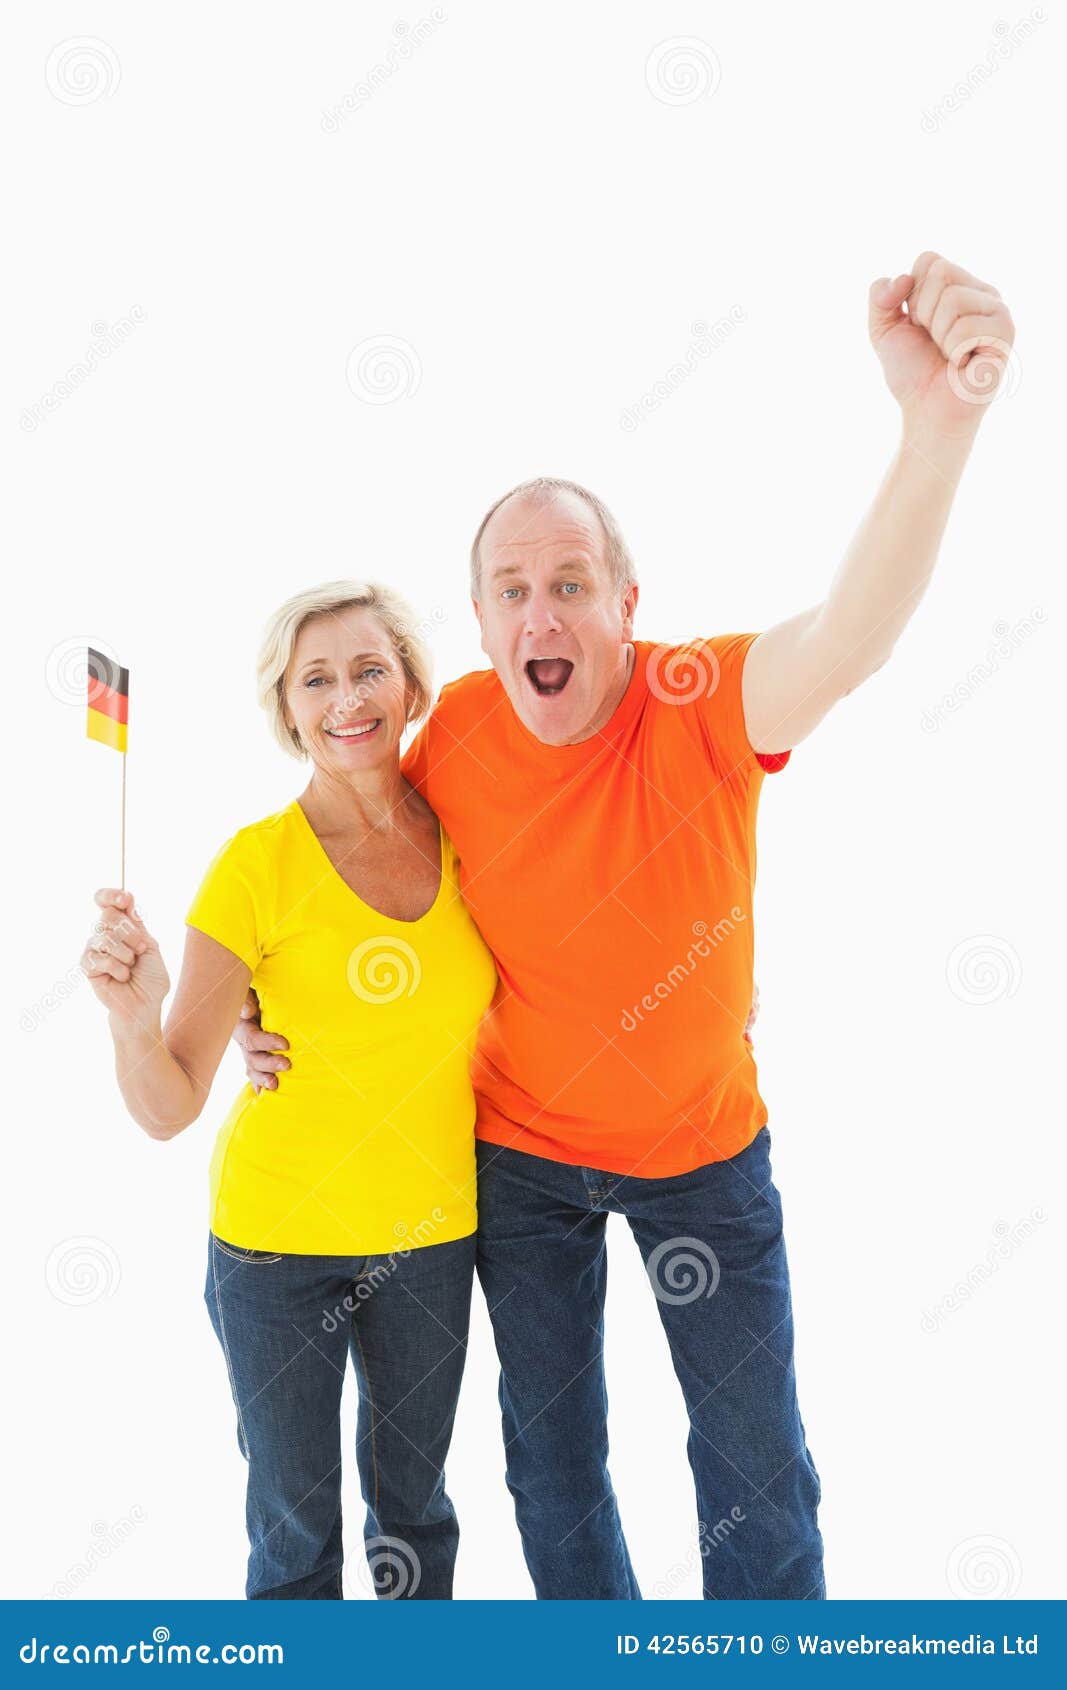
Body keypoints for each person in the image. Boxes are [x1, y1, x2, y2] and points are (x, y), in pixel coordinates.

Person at [237, 254, 1015, 1598]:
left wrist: (934, 424)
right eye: (511, 588)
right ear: (477, 620)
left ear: (623, 603)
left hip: (699, 1150)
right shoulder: (457, 730)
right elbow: (338, 867)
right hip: (518, 1160)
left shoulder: (695, 696)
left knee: (751, 1456)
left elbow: (848, 636)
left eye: (572, 582)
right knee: (549, 1463)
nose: (543, 612)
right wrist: (254, 1003)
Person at [81, 582, 497, 1600]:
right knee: (294, 1529)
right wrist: (135, 1015)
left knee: (416, 1515)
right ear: (286, 707)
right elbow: (169, 1103)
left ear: (408, 687)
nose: (345, 697)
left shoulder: (471, 831)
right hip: (274, 1250)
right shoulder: (253, 868)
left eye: (368, 669)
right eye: (316, 678)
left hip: (431, 1236)